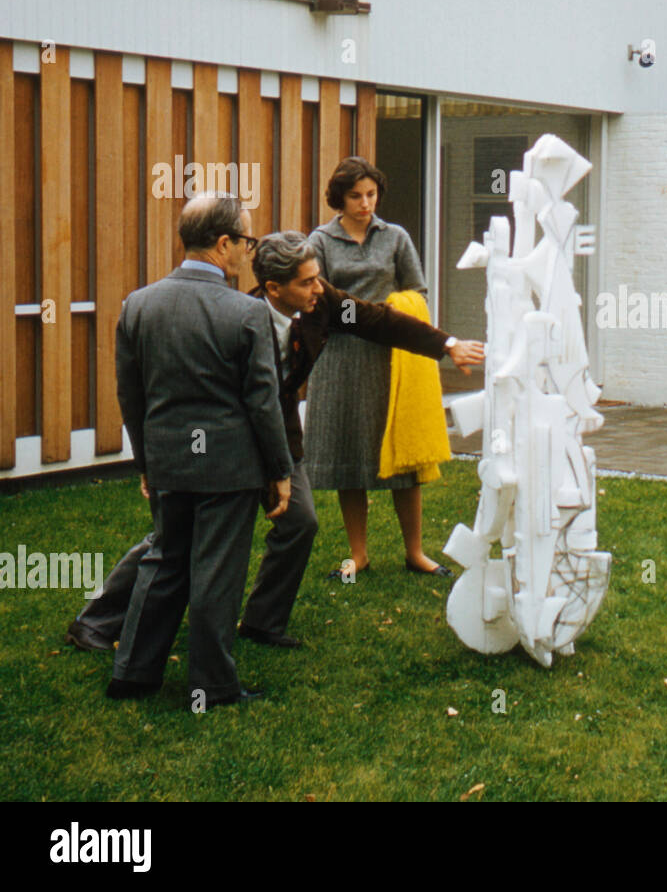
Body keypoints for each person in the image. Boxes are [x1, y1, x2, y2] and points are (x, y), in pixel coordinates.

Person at [67, 232, 483, 653]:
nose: (318, 289)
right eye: (307, 282)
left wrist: (446, 344)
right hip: (228, 440)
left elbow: (377, 320)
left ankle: (263, 622)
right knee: (178, 536)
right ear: (272, 289)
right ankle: (95, 622)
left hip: (280, 432)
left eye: (318, 278)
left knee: (300, 522)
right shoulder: (239, 318)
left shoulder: (322, 306)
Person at [108, 193, 293, 706]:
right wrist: (280, 470)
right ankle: (211, 685)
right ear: (223, 242)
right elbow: (263, 403)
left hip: (168, 458)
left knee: (164, 560)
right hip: (228, 466)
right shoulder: (245, 313)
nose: (248, 253)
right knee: (216, 571)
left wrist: (146, 461)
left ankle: (133, 672)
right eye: (247, 241)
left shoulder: (138, 304)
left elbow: (132, 395)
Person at [305, 157, 478, 575]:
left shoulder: (395, 237)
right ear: (338, 198)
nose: (365, 203)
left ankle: (415, 552)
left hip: (393, 360)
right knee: (350, 454)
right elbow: (322, 302)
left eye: (371, 194)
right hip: (342, 360)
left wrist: (391, 319)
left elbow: (416, 292)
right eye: (355, 196)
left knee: (406, 455)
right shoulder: (320, 241)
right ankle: (358, 554)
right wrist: (365, 320)